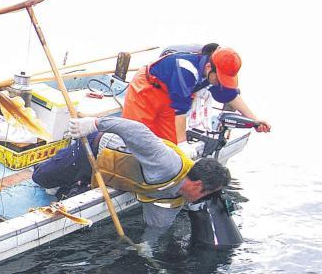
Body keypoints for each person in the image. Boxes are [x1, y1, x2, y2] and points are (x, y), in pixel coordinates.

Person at [65, 115, 231, 230]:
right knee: (41, 178)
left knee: (69, 191)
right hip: (95, 147)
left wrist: (148, 246)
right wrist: (94, 123)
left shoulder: (173, 202)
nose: (208, 200)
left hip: (105, 175)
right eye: (208, 194)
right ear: (198, 185)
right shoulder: (166, 163)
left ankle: (78, 183)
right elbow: (134, 128)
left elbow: (158, 226)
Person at [122, 44, 270, 158]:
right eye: (220, 78)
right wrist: (184, 147)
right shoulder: (186, 69)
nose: (220, 83)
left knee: (169, 147)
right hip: (145, 91)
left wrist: (255, 121)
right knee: (138, 139)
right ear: (208, 67)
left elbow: (230, 96)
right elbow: (180, 112)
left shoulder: (212, 74)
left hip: (168, 97)